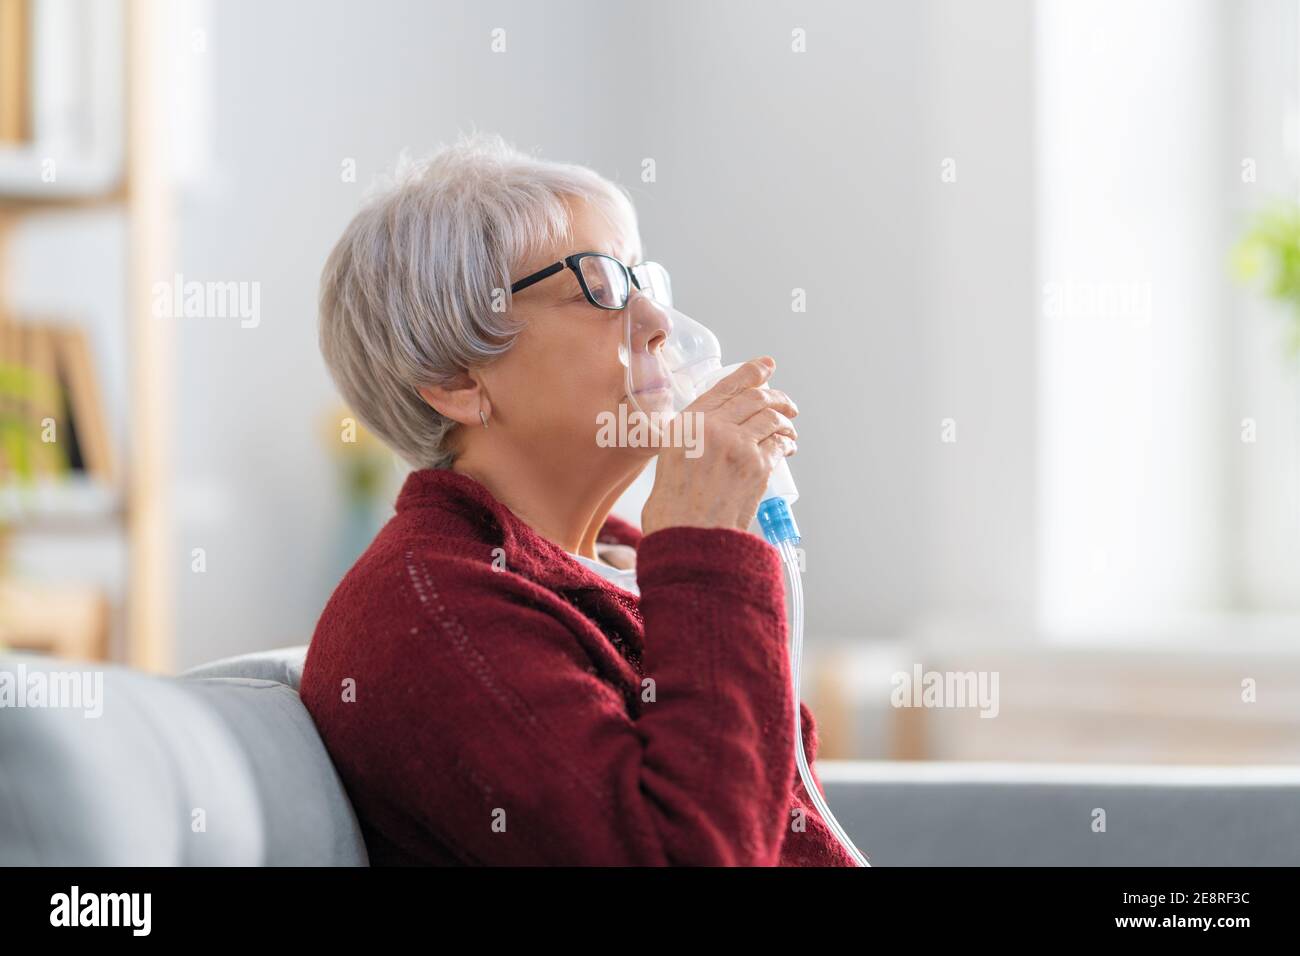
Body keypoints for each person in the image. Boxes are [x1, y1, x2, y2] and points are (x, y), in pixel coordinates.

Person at [300, 132, 855, 865]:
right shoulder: (433, 610)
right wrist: (704, 551)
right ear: (459, 381)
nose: (658, 326)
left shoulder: (616, 567)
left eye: (641, 281)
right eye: (600, 287)